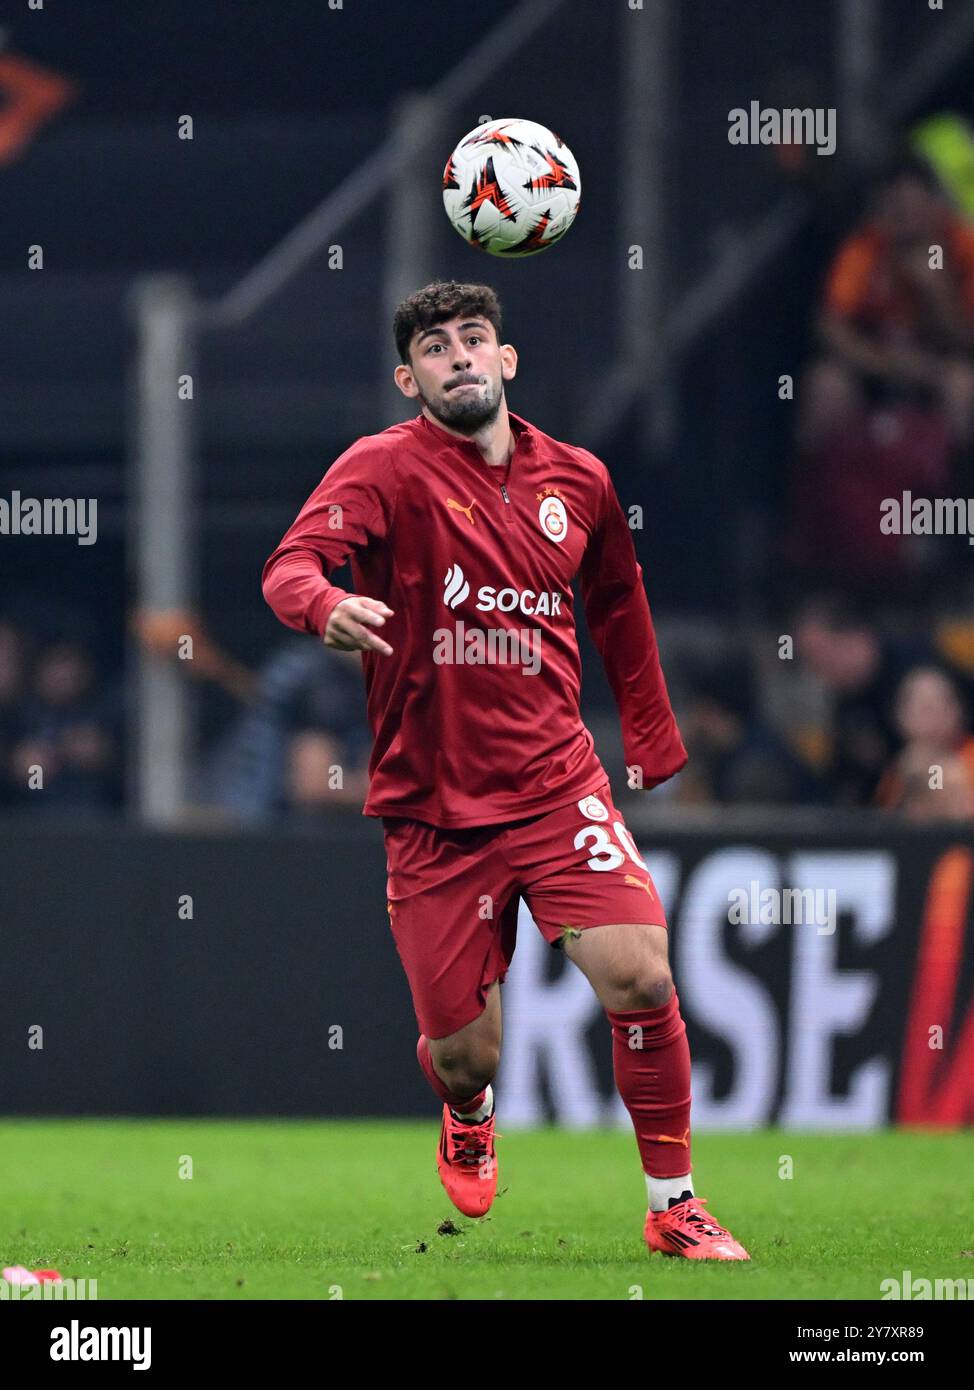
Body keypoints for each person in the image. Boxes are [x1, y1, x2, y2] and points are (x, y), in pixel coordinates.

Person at [262, 280, 749, 1261]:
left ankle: (674, 1202)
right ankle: (467, 1105)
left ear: (506, 358)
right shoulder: (382, 469)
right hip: (431, 806)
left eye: (473, 338)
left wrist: (651, 736)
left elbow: (617, 603)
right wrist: (325, 607)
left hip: (555, 785)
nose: (459, 356)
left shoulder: (578, 479)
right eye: (435, 348)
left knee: (641, 975)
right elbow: (290, 563)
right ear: (411, 379)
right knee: (462, 1051)